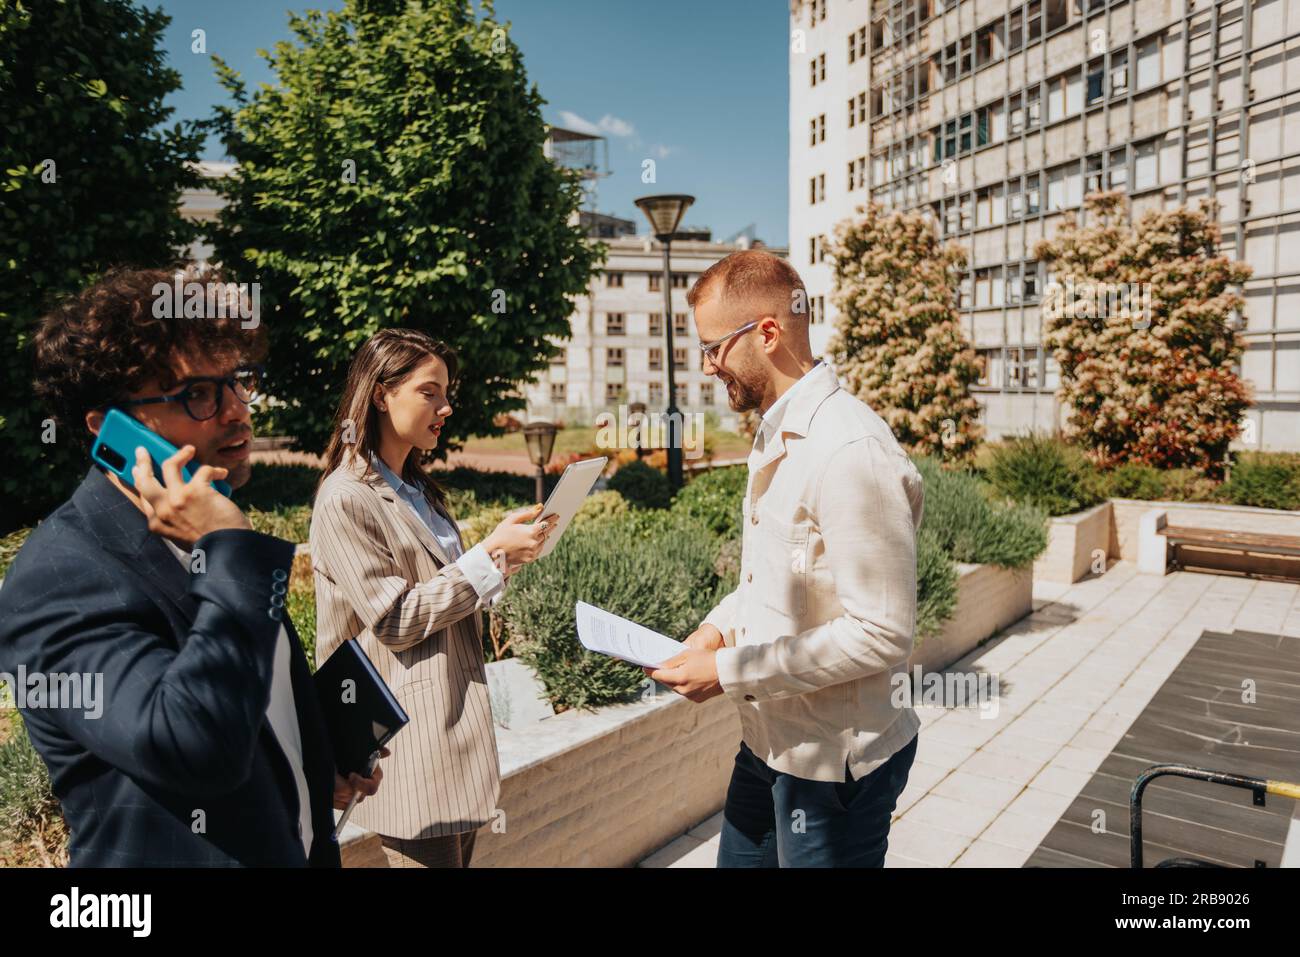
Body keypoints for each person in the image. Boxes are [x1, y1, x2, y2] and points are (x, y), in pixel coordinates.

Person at [0, 265, 380, 867]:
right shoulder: (59, 577)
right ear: (109, 428)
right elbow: (191, 746)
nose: (236, 411)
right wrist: (231, 551)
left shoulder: (204, 536)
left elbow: (244, 705)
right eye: (196, 394)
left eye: (238, 381)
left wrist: (310, 761)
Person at [645, 250, 924, 868]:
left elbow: (881, 633)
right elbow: (778, 572)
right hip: (767, 744)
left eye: (715, 347)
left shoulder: (850, 449)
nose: (710, 364)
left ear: (767, 332)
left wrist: (727, 671)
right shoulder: (778, 429)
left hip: (835, 769)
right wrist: (718, 627)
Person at [310, 328, 554, 868]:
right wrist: (489, 556)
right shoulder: (345, 498)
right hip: (406, 745)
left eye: (448, 393)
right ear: (380, 394)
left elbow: (443, 595)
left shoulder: (418, 490)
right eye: (430, 392)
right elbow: (395, 620)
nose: (446, 407)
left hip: (456, 734)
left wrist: (505, 557)